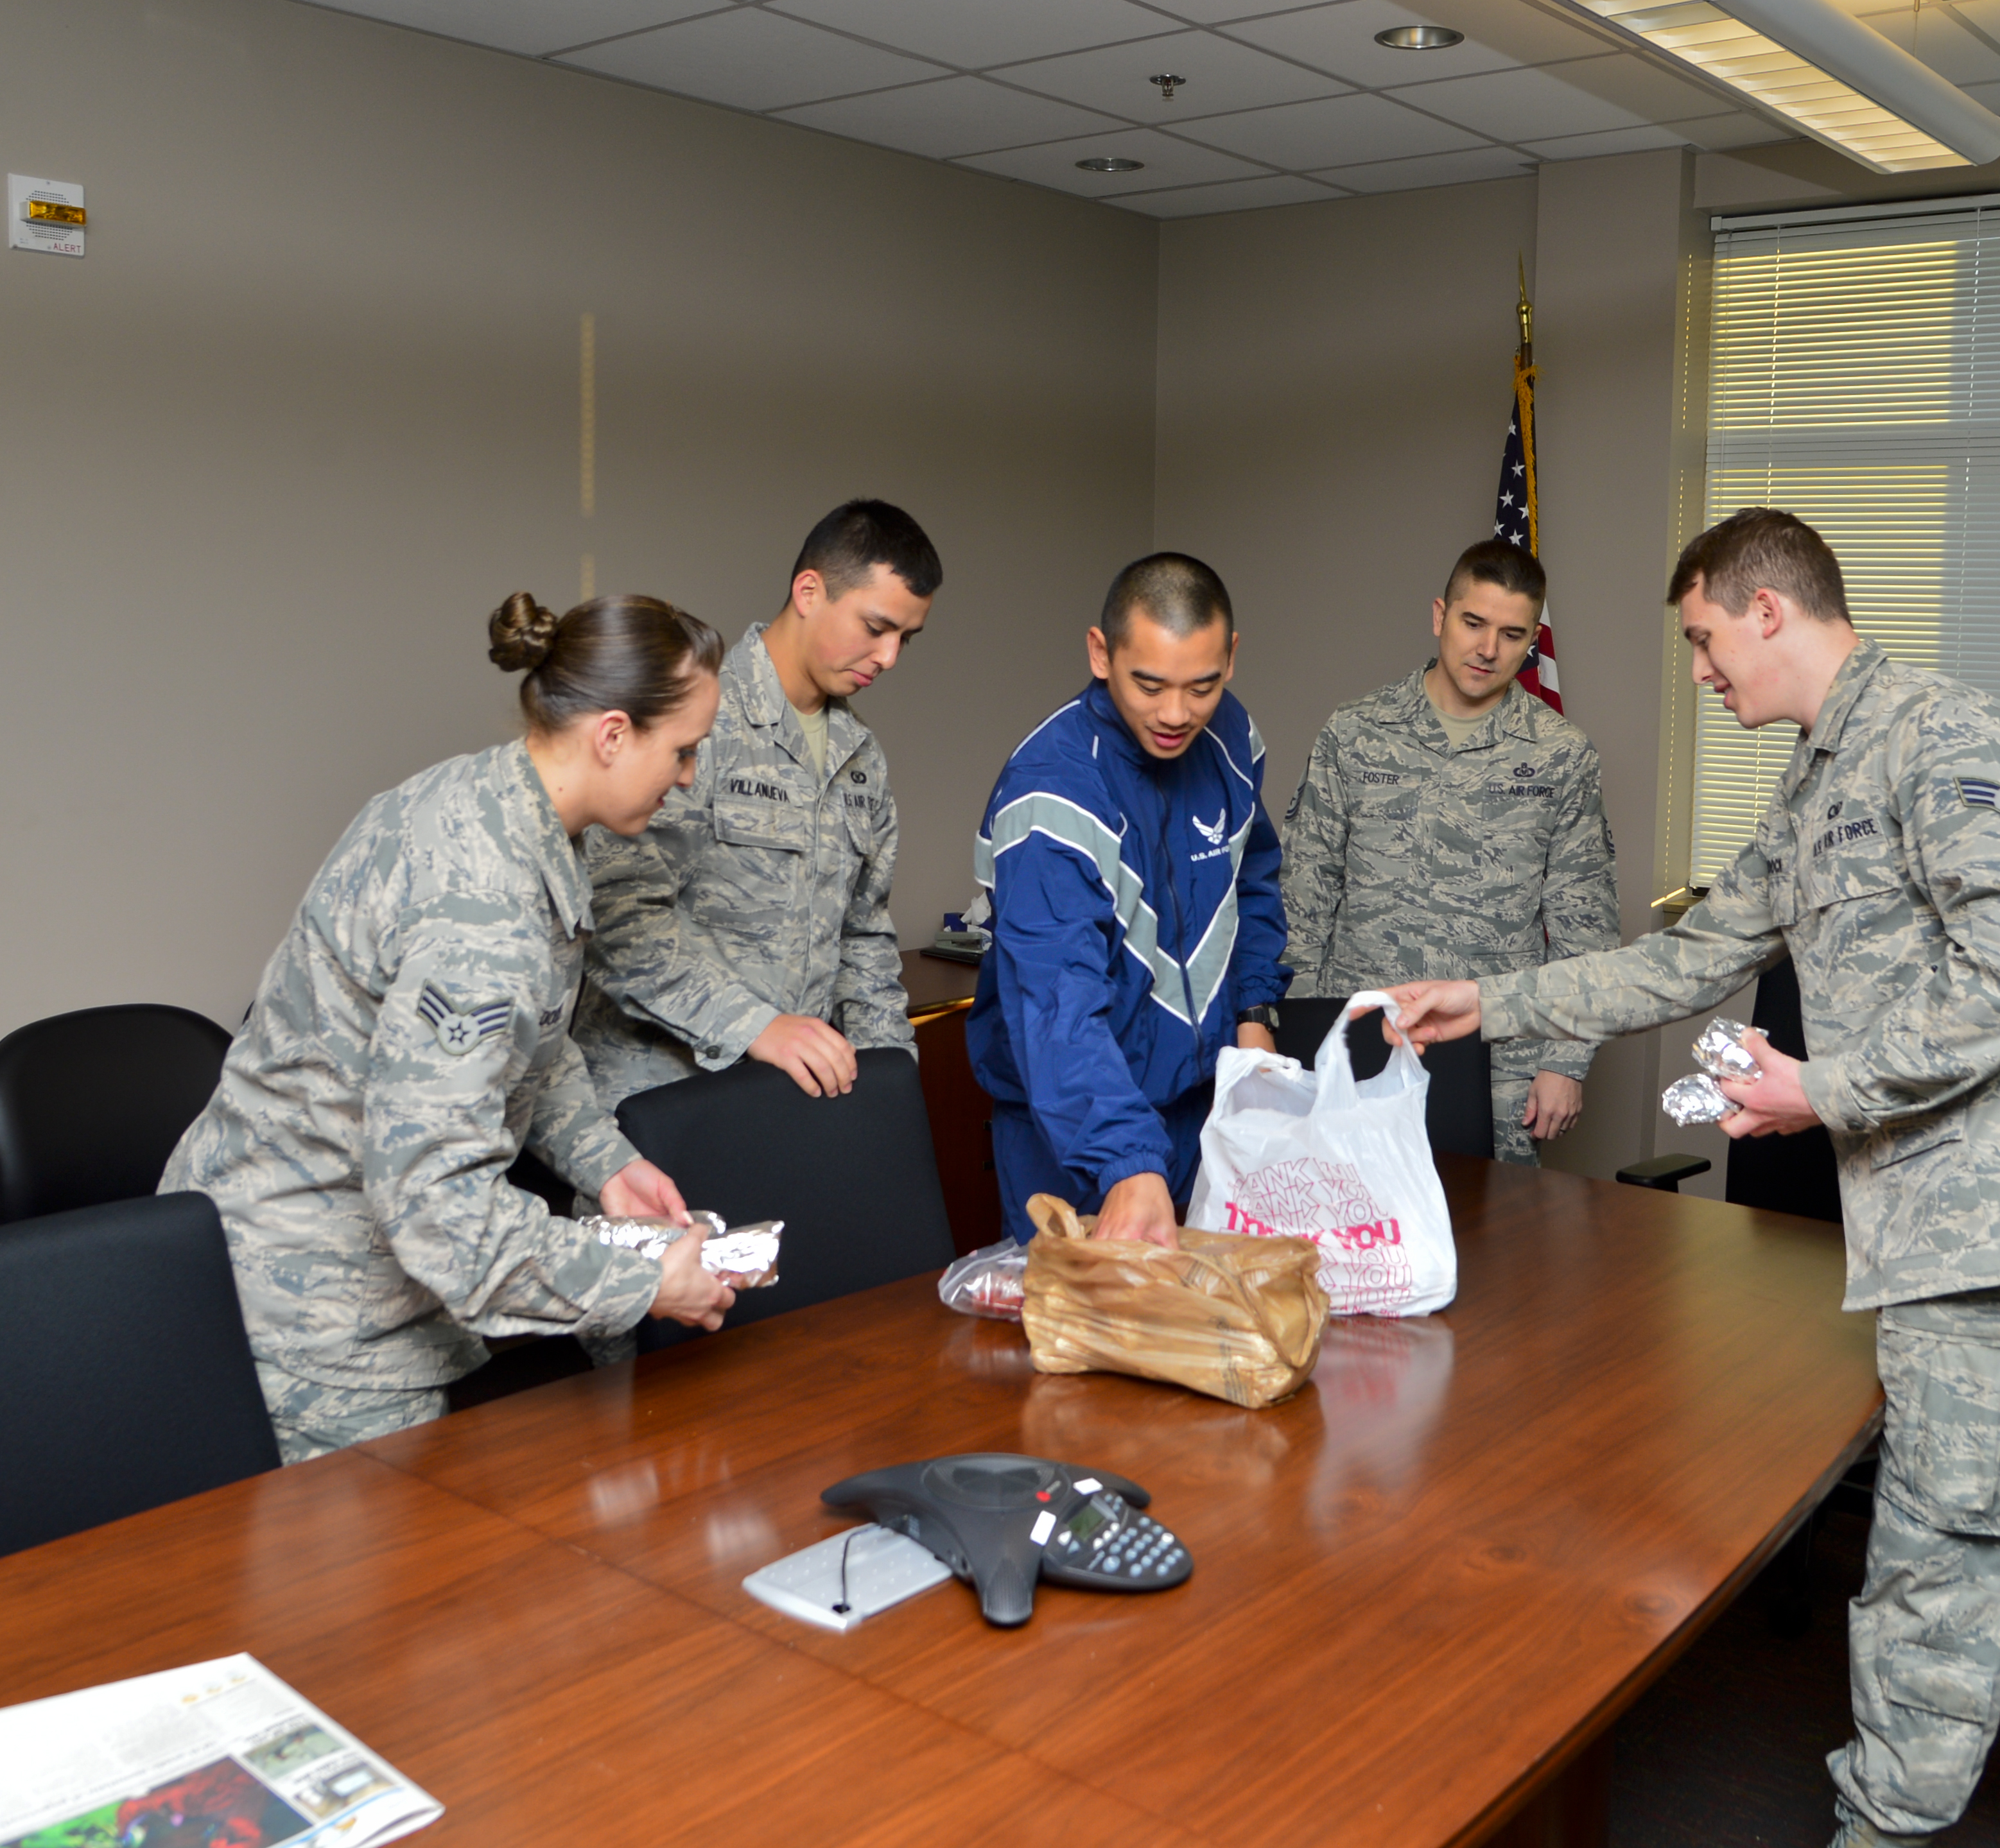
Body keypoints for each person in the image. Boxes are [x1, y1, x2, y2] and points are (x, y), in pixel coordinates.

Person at [1382, 509, 2000, 1848]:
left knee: (1941, 1554)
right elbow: (1682, 957)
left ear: (1766, 609)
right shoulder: (1811, 780)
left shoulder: (1940, 734)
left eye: (1699, 638)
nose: (1695, 672)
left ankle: (1887, 1828)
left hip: (1987, 1223)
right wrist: (1483, 1001)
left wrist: (1819, 1087)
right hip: (1943, 1221)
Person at [162, 594, 743, 1462]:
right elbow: (439, 1208)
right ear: (613, 735)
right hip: (312, 1317)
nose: (690, 775)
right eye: (683, 749)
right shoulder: (482, 912)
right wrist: (640, 1281)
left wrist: (607, 1165)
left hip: (325, 1274)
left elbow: (526, 1051)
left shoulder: (495, 804)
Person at [572, 499, 941, 1109]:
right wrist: (754, 1026)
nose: (890, 656)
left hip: (786, 1108)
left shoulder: (861, 758)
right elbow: (616, 917)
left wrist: (889, 1085)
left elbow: (863, 935)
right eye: (876, 628)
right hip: (659, 1105)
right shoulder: (695, 719)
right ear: (809, 591)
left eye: (907, 637)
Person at [966, 553, 1289, 1248]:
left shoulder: (1231, 737)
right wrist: (1125, 1159)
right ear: (1099, 653)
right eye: (1149, 684)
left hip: (1203, 1114)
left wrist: (1255, 1013)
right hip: (1075, 1131)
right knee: (1073, 1349)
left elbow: (1252, 880)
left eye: (1200, 686)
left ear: (1230, 659)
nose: (1176, 714)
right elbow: (1058, 1003)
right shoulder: (1051, 795)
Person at [1280, 539, 1616, 1162]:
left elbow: (1584, 929)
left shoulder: (1560, 754)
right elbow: (1303, 899)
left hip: (1500, 1062)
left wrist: (1566, 1061)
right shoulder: (1354, 734)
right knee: (1353, 1243)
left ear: (1530, 642)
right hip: (1359, 1042)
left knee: (1500, 1250)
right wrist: (1295, 1047)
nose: (1487, 649)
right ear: (1440, 616)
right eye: (1472, 623)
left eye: (1511, 634)